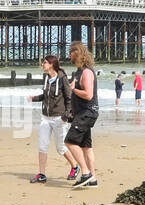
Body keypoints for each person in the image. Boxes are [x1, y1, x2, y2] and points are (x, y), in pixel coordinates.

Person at [27, 54, 77, 182]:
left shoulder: (62, 79)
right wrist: (34, 98)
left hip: (58, 118)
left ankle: (75, 166)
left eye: (44, 62)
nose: (42, 64)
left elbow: (69, 98)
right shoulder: (46, 78)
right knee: (42, 145)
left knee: (60, 147)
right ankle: (42, 174)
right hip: (45, 117)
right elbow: (45, 95)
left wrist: (66, 116)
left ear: (51, 65)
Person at [65, 41, 100, 188]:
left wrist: (73, 89)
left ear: (77, 53)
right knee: (86, 147)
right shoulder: (79, 71)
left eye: (71, 52)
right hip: (82, 113)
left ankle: (85, 173)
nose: (69, 55)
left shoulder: (86, 72)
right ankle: (92, 180)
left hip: (87, 112)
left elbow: (88, 94)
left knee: (70, 141)